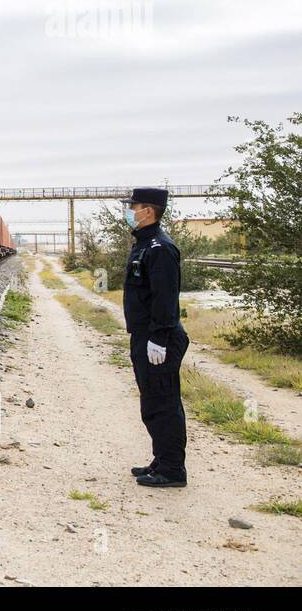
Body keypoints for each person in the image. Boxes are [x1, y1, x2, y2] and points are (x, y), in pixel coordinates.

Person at [121, 188, 189, 488]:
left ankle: (173, 470)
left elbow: (165, 298)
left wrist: (158, 338)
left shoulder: (159, 247)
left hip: (157, 339)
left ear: (148, 210)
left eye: (132, 206)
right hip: (146, 336)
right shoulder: (146, 244)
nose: (129, 211)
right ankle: (161, 460)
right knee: (153, 402)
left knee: (163, 403)